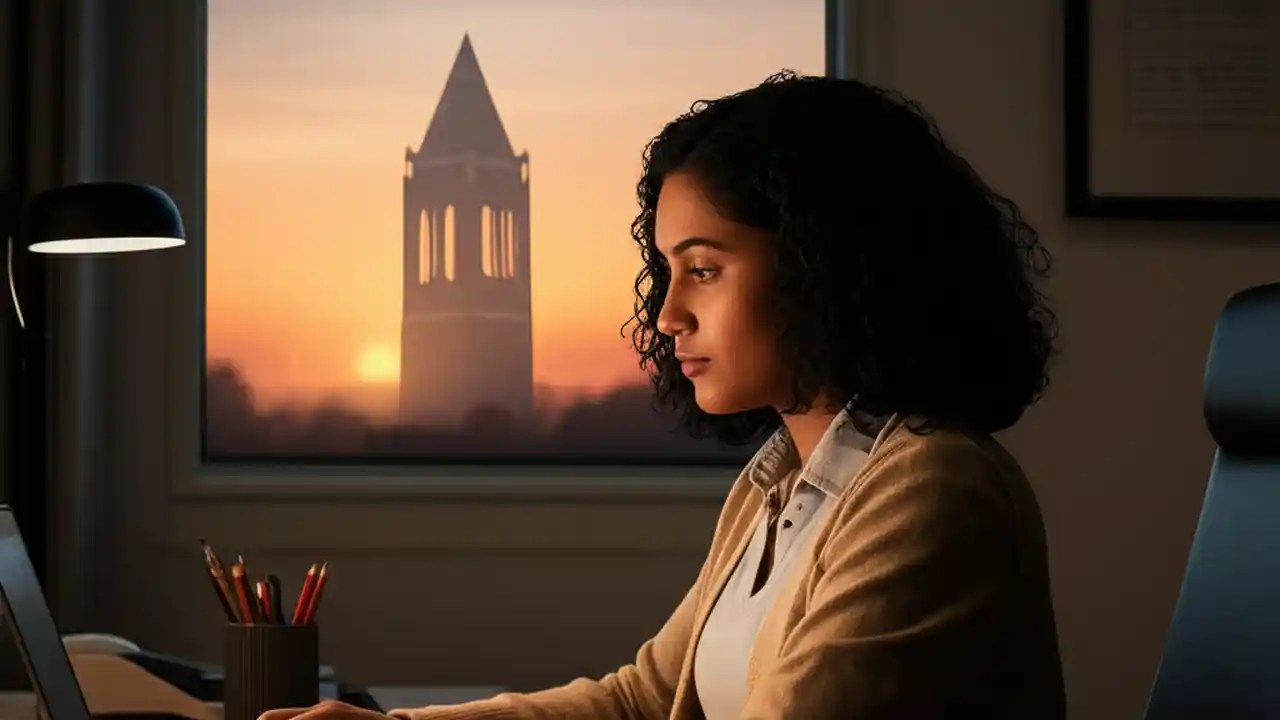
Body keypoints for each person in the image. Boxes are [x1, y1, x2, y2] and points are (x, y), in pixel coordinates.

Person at [261, 70, 1066, 720]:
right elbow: (645, 699)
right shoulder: (782, 481)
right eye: (668, 272)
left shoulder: (931, 491)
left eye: (705, 270)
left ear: (824, 267)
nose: (667, 314)